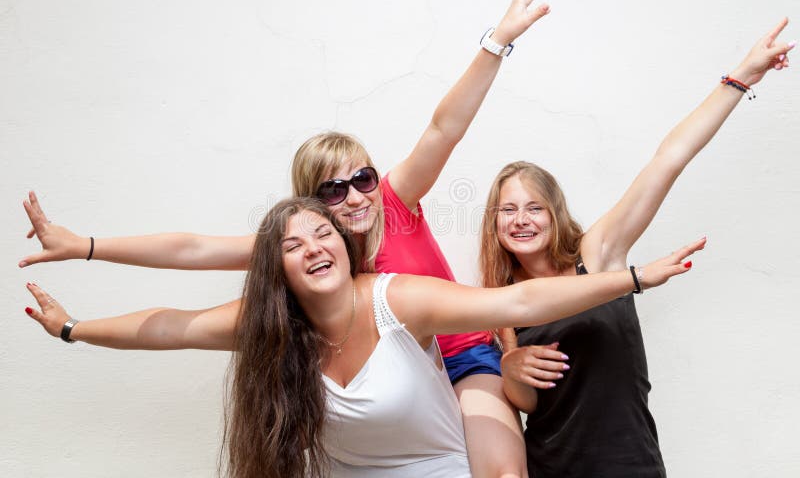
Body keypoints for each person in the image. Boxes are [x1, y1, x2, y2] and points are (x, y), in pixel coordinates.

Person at [19, 0, 551, 478]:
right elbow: (190, 251)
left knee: (502, 472)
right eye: (334, 189)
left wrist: (496, 41)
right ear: (313, 202)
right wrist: (84, 248)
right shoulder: (309, 248)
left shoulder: (393, 199)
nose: (356, 197)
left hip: (460, 357)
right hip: (379, 398)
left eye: (363, 178)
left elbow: (444, 128)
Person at [23, 196, 705, 478]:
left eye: (325, 232)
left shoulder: (397, 299)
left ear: (347, 248)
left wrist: (633, 278)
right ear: (277, 267)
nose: (314, 245)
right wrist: (74, 327)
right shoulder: (269, 327)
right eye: (293, 243)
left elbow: (519, 297)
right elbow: (166, 326)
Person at [480, 19, 794, 477]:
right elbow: (531, 402)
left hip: (631, 465)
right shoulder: (500, 300)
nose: (522, 219)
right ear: (495, 223)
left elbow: (668, 160)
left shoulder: (597, 256)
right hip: (550, 468)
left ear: (555, 213)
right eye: (508, 210)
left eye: (534, 207)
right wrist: (510, 368)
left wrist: (740, 77)